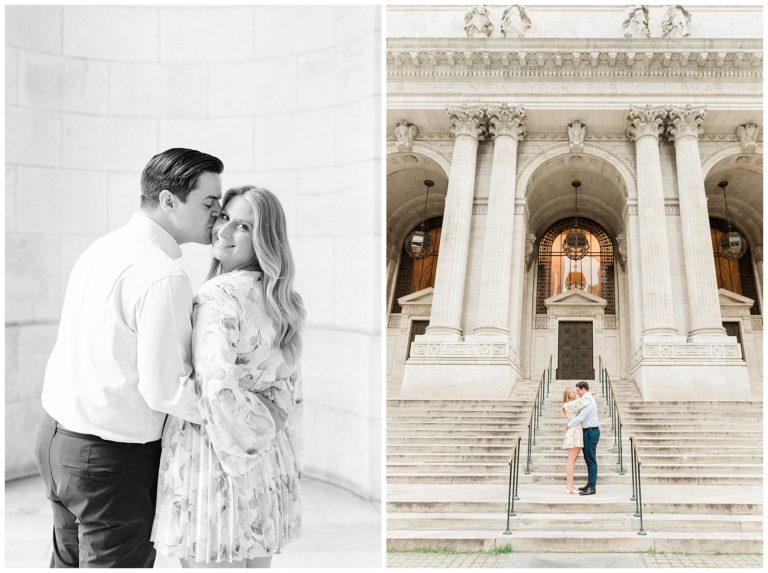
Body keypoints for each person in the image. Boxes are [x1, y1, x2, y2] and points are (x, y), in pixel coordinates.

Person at [34, 148, 224, 567]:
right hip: (109, 462)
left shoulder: (101, 248)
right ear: (168, 200)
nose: (218, 214)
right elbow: (165, 390)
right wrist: (234, 412)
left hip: (55, 441)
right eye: (209, 202)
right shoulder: (163, 274)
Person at [152, 186, 305, 568]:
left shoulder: (218, 295)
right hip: (267, 460)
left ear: (264, 238)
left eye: (243, 226)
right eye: (224, 217)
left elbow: (215, 389)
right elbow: (290, 392)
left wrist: (241, 452)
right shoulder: (283, 300)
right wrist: (266, 430)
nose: (224, 230)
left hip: (216, 459)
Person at [567, 381, 600, 495]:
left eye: (578, 390)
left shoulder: (588, 400)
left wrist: (569, 425)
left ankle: (592, 487)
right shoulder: (585, 399)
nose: (577, 393)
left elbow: (582, 417)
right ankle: (589, 485)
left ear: (583, 389)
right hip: (587, 431)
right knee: (588, 459)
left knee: (591, 459)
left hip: (591, 431)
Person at [561, 387, 589, 494]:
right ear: (568, 395)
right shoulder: (569, 404)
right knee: (571, 460)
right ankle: (569, 487)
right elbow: (584, 402)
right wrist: (589, 394)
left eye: (575, 391)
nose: (575, 393)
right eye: (573, 392)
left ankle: (570, 485)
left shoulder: (571, 404)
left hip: (576, 431)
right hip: (574, 433)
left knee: (572, 460)